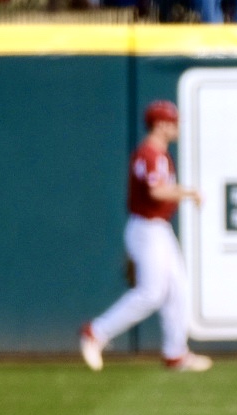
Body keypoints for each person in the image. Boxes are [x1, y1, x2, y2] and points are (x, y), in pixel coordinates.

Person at [80, 101, 213, 374]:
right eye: (173, 121)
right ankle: (96, 332)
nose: (177, 127)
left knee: (178, 288)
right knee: (151, 294)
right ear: (161, 124)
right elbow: (157, 192)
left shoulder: (159, 154)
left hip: (158, 228)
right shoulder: (150, 154)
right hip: (146, 228)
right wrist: (190, 192)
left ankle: (176, 353)